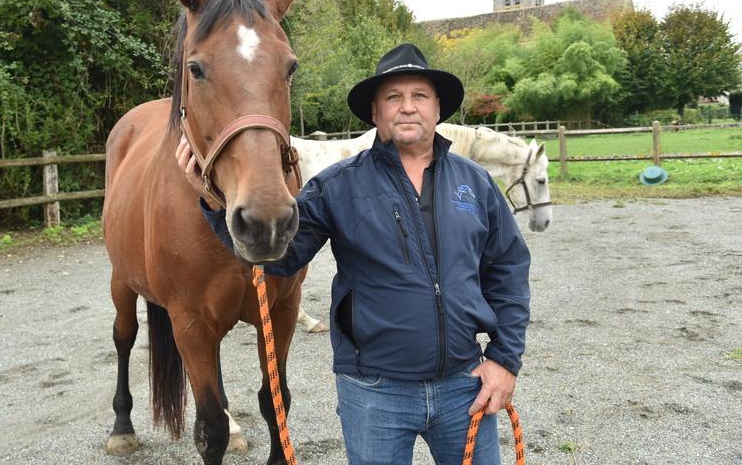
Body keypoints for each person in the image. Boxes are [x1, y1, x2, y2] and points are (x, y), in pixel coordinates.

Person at [177, 43, 531, 465]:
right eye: (393, 98)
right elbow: (280, 258)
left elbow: (508, 269)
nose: (407, 108)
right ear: (376, 114)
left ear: (438, 109)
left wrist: (504, 361)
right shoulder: (336, 186)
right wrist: (216, 204)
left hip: (464, 387)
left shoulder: (475, 182)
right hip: (374, 394)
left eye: (419, 96)